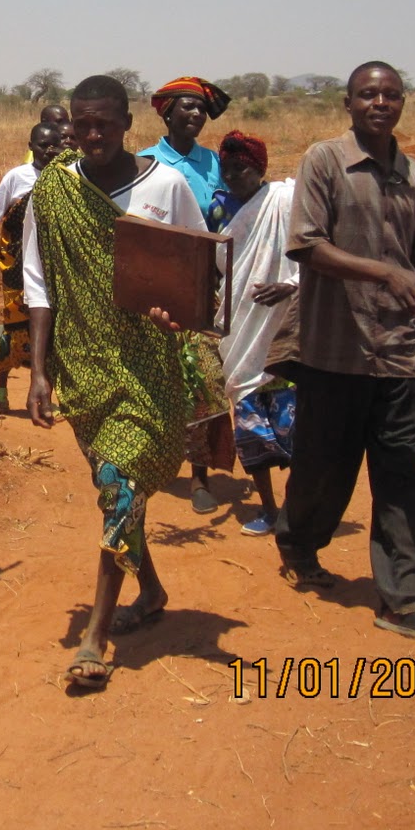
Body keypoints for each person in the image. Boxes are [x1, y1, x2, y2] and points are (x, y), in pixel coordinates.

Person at [24, 75, 229, 691]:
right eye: (80, 125)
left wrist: (180, 307)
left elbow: (199, 268)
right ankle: (154, 588)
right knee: (118, 486)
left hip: (149, 368)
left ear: (125, 124)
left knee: (118, 486)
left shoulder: (164, 184)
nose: (90, 136)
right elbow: (39, 281)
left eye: (103, 125)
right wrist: (37, 369)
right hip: (81, 363)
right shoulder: (53, 190)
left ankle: (95, 636)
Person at [276, 61, 415, 648]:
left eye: (389, 95)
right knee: (323, 466)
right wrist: (387, 274)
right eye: (368, 94)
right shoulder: (325, 161)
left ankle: (404, 597)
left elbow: (412, 260)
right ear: (348, 103)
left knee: (403, 476)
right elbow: (306, 246)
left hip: (398, 353)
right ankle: (299, 542)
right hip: (333, 348)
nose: (379, 103)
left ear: (403, 103)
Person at [139, 74, 232, 515]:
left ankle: (199, 476)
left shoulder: (214, 163)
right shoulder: (144, 161)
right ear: (167, 112)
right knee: (157, 373)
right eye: (188, 107)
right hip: (156, 282)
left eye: (201, 107)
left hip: (201, 281)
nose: (196, 114)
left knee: (203, 377)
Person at [211, 131, 300, 536]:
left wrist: (292, 285)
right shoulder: (220, 208)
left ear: (259, 168)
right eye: (226, 170)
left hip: (282, 332)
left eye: (240, 169)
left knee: (295, 431)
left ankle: (299, 510)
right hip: (240, 332)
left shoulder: (284, 201)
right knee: (251, 432)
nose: (232, 177)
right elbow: (217, 264)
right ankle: (269, 508)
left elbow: (315, 250)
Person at [0, 122, 63, 412]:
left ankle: (44, 394)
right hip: (16, 265)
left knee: (51, 333)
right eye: (42, 144)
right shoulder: (17, 177)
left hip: (52, 266)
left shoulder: (66, 178)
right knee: (15, 327)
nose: (48, 150)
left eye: (53, 144)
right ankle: (2, 383)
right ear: (30, 147)